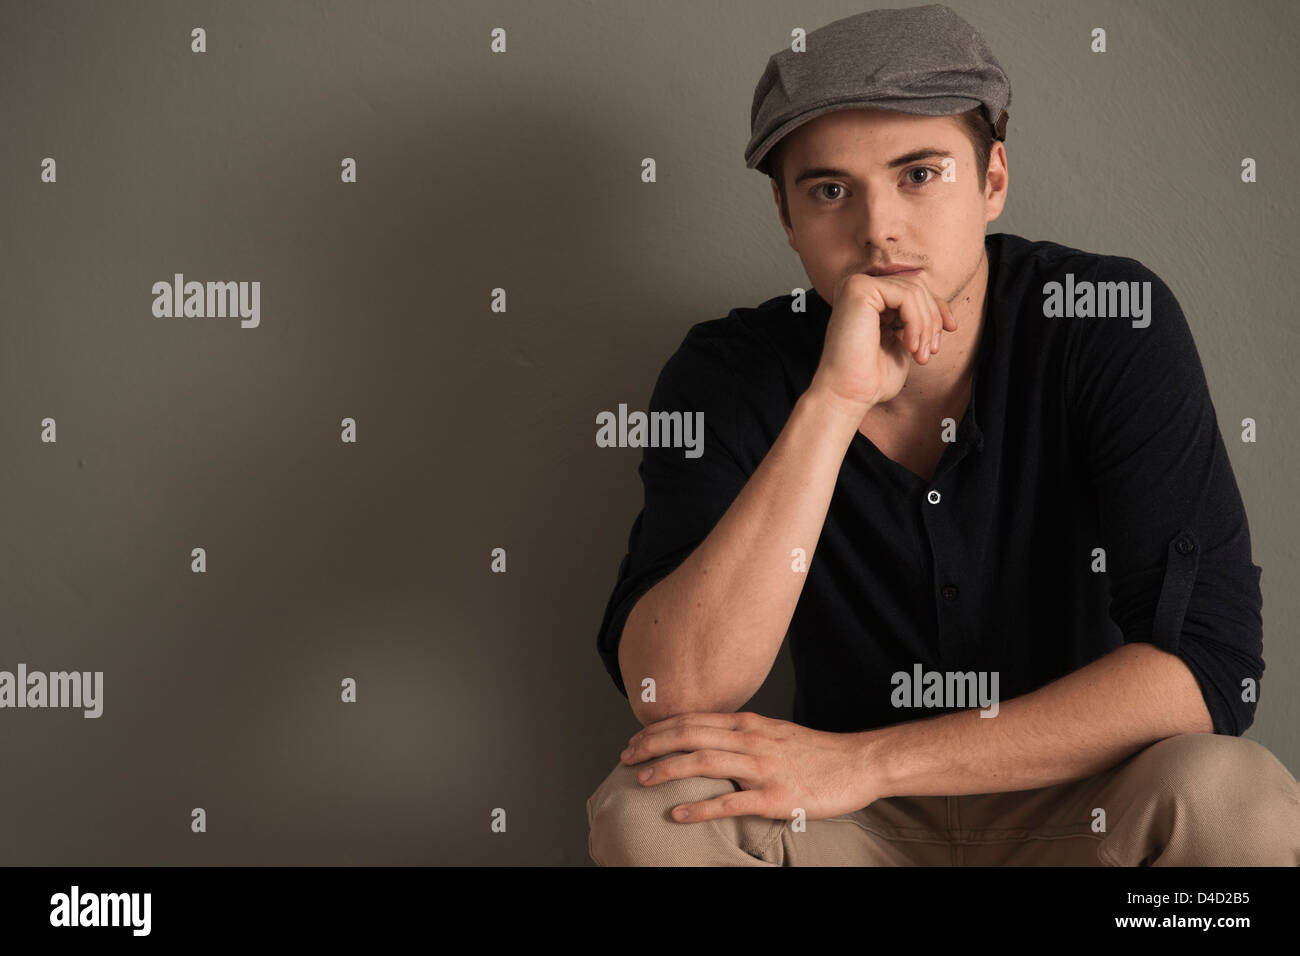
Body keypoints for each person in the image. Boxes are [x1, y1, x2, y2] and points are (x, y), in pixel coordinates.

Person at [587, 4, 1300, 865]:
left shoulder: (1108, 322)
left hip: (1080, 808)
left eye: (919, 174)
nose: (877, 229)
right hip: (849, 833)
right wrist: (833, 401)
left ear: (993, 179)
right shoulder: (729, 371)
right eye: (829, 190)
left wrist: (870, 761)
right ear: (784, 215)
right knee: (646, 814)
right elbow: (676, 691)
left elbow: (1210, 670)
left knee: (1238, 800)